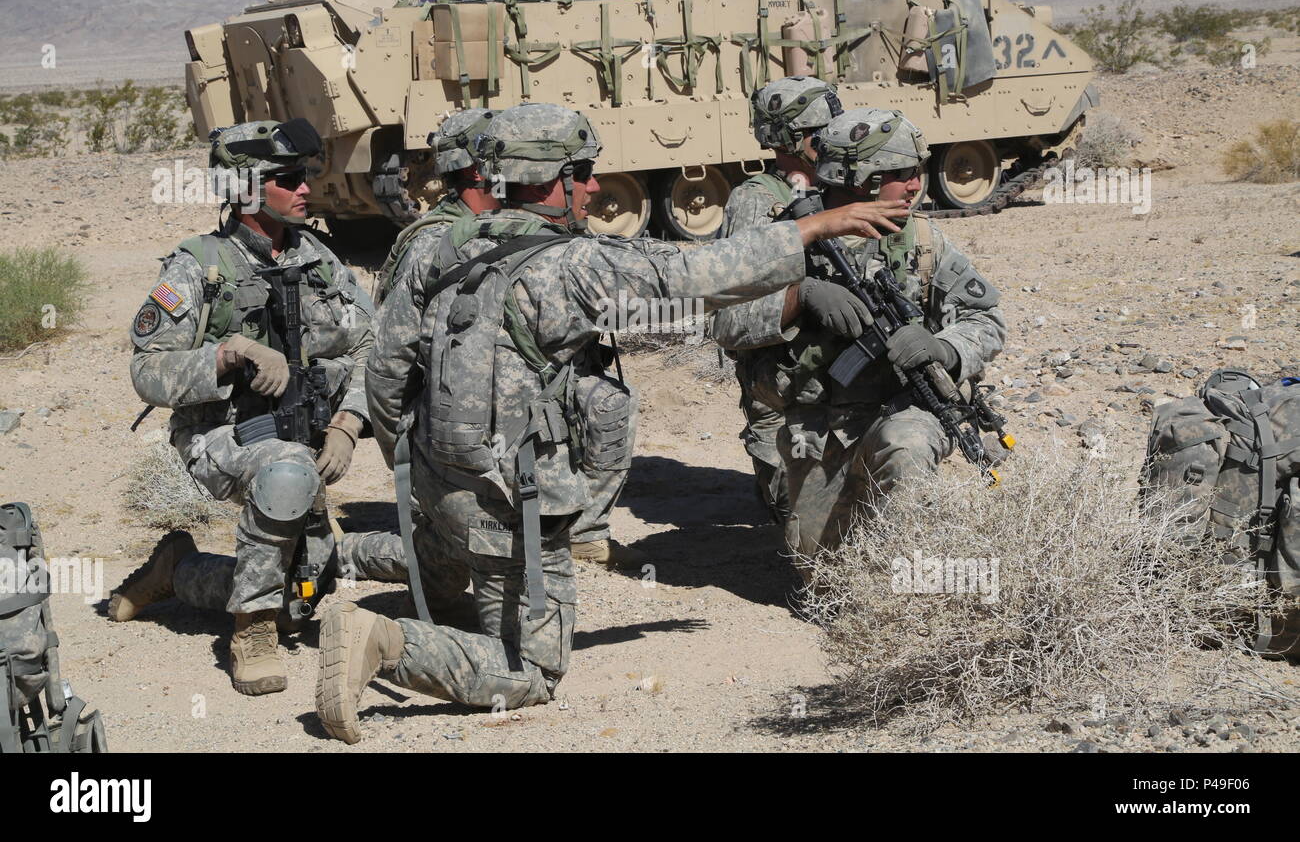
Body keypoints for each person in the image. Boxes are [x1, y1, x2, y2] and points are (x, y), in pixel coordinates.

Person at [316, 102, 906, 742]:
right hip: (510, 501)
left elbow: (384, 372)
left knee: (455, 565)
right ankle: (382, 643)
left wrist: (420, 462)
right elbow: (696, 274)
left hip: (439, 480)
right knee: (531, 670)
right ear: (549, 180)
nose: (596, 187)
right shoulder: (572, 265)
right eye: (585, 172)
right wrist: (813, 228)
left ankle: (326, 559)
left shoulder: (439, 246)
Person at [113, 119, 395, 696]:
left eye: (305, 176)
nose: (304, 189)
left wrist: (349, 421)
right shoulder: (199, 266)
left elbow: (374, 345)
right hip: (223, 436)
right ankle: (253, 634)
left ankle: (179, 572)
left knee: (304, 597)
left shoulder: (316, 258)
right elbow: (146, 370)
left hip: (305, 434)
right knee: (287, 470)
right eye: (287, 178)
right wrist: (225, 354)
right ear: (245, 189)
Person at [714, 107, 1006, 583]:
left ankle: (910, 583)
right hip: (815, 425)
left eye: (918, 172)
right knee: (823, 581)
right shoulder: (785, 238)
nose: (917, 185)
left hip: (895, 410)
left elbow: (985, 317)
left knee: (908, 444)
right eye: (902, 174)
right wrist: (798, 298)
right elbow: (726, 324)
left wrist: (943, 347)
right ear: (861, 178)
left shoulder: (924, 239)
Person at [369, 109, 644, 572]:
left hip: (510, 423)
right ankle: (360, 557)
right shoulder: (436, 243)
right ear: (481, 170)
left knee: (603, 398)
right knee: (451, 571)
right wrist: (407, 465)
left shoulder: (516, 232)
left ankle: (579, 532)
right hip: (452, 436)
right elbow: (389, 370)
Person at [713, 76, 843, 529]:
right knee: (805, 519)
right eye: (819, 132)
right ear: (790, 138)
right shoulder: (757, 203)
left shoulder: (836, 186)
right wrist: (802, 298)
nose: (831, 139)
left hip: (836, 370)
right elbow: (731, 317)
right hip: (781, 378)